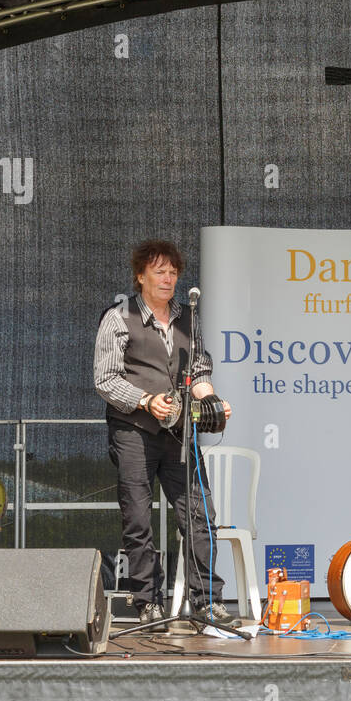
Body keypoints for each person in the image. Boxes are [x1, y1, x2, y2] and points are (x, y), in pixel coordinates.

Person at [94, 239, 240, 628]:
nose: (168, 279)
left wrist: (211, 401)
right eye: (159, 271)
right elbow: (105, 379)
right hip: (134, 432)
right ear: (140, 276)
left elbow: (200, 372)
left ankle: (207, 601)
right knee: (138, 518)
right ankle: (148, 602)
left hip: (178, 432)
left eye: (173, 272)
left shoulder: (187, 317)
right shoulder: (118, 316)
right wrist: (145, 400)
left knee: (199, 513)